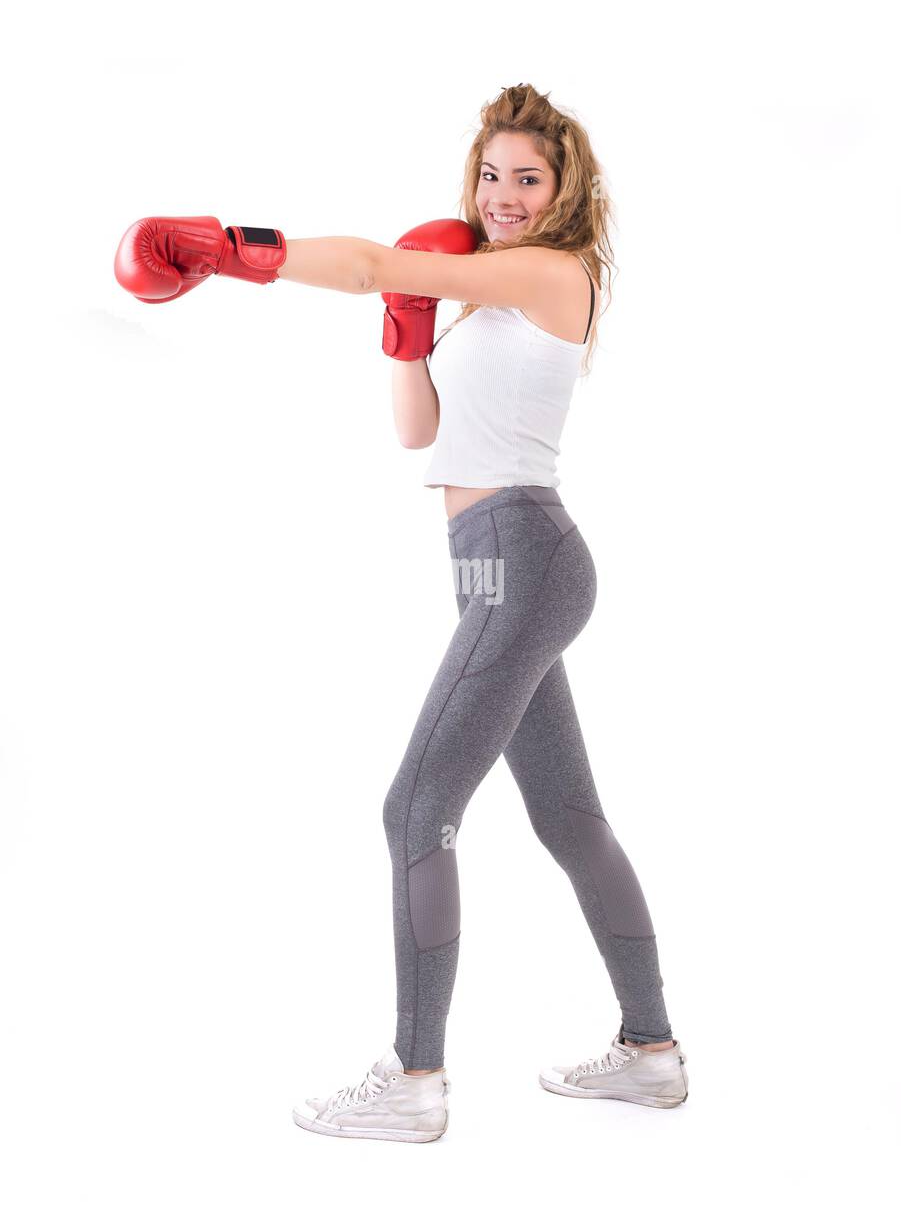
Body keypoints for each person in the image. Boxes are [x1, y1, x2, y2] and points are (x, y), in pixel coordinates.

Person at [114, 82, 688, 1145]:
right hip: (488, 565)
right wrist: (405, 331)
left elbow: (378, 260)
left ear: (565, 193)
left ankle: (412, 1079)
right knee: (567, 818)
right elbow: (417, 429)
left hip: (526, 552)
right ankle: (651, 1055)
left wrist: (235, 247)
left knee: (413, 807)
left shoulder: (549, 272)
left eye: (528, 177)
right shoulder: (483, 294)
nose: (504, 194)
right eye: (490, 174)